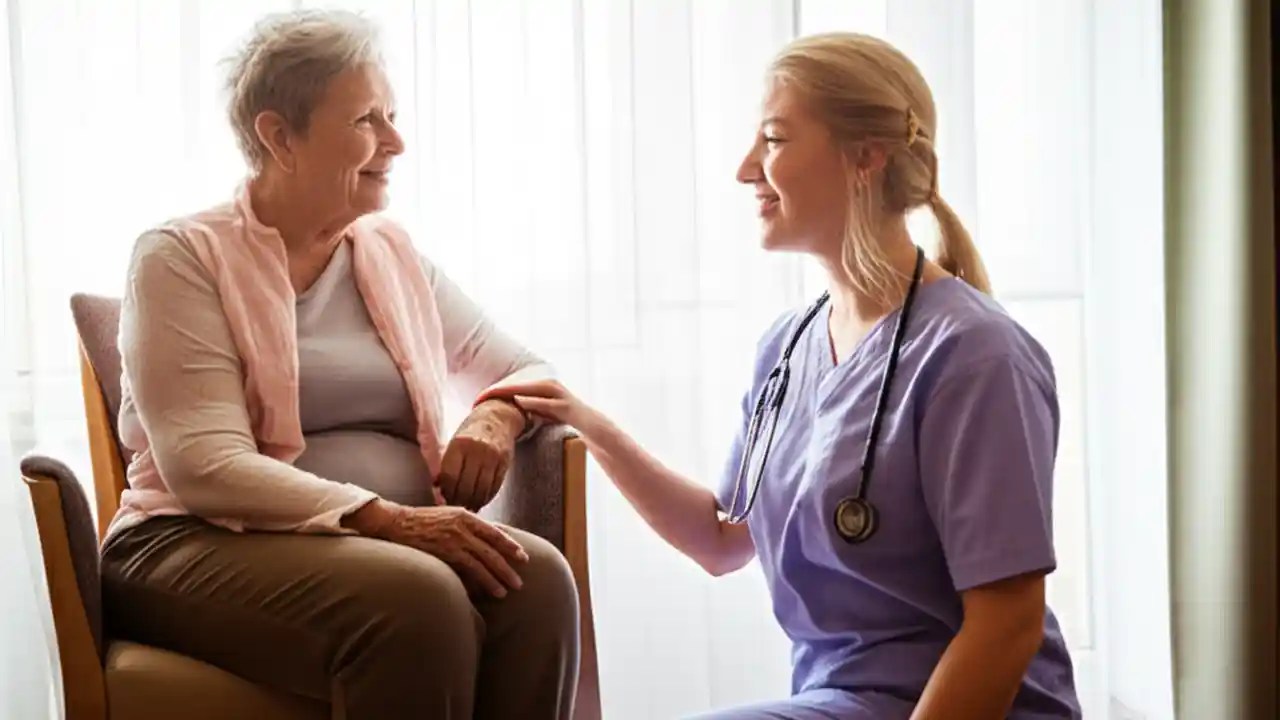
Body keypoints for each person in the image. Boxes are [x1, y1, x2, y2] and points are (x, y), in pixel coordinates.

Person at [482, 32, 1081, 719]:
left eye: (773, 139)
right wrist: (584, 419)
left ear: (865, 157)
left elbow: (1006, 625)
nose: (745, 169)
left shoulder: (976, 356)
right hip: (839, 702)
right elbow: (721, 537)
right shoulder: (788, 348)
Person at [100, 10, 578, 720]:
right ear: (278, 136)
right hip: (191, 540)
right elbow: (206, 466)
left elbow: (530, 370)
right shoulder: (179, 258)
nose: (396, 141)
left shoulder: (388, 253)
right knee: (418, 601)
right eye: (367, 120)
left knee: (536, 581)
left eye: (392, 116)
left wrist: (495, 414)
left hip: (373, 548)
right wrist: (390, 522)